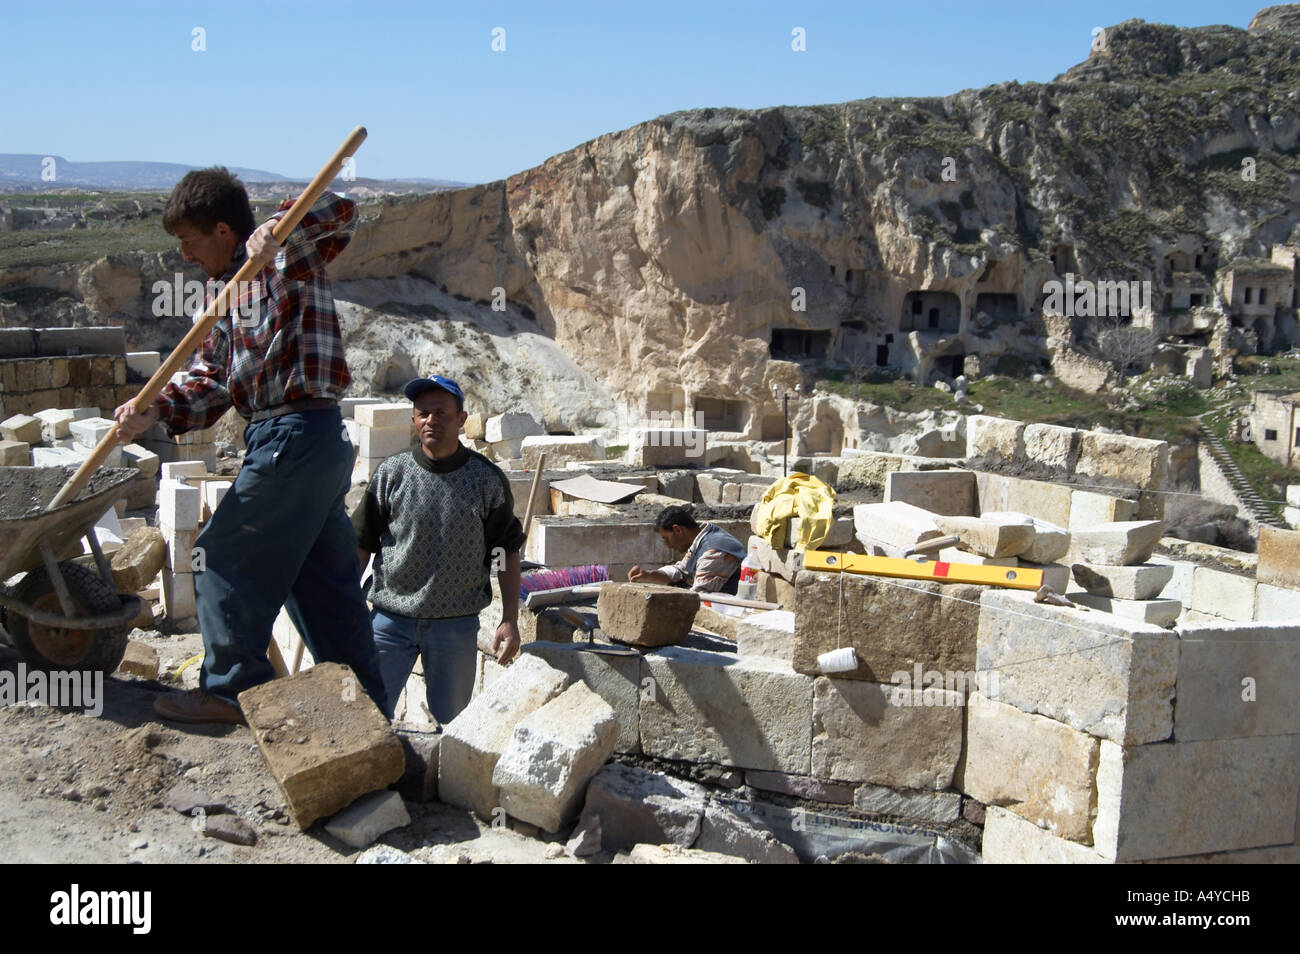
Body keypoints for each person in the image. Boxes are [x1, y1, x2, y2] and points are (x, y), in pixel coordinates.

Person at [114, 166, 387, 724]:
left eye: (190, 242)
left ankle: (230, 688)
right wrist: (154, 411)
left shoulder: (285, 262)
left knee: (219, 557)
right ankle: (370, 718)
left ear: (222, 231)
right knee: (324, 588)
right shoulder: (219, 301)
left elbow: (342, 212)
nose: (185, 256)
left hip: (297, 434)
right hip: (295, 442)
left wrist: (282, 227)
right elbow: (211, 385)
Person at [351, 375, 525, 724]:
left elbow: (505, 551)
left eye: (442, 413)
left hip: (455, 626)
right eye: (424, 413)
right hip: (389, 620)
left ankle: (438, 780)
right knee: (367, 719)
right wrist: (345, 606)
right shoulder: (391, 473)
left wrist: (510, 618)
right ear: (414, 419)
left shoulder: (486, 479)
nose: (432, 420)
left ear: (461, 419)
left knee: (452, 725)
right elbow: (361, 544)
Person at [628, 505, 747, 593]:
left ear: (677, 530)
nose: (668, 545)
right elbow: (681, 570)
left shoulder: (712, 552)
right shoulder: (702, 539)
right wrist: (649, 574)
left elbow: (696, 597)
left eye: (666, 538)